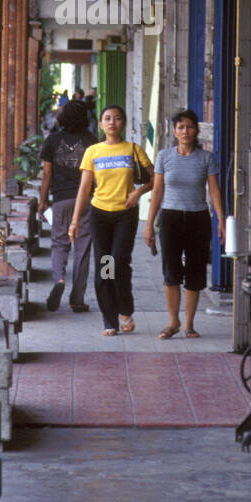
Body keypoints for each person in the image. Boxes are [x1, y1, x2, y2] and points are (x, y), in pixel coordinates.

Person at [69, 105, 153, 336]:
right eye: (107, 118)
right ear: (101, 124)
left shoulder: (132, 149)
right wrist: (75, 221)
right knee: (105, 266)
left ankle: (125, 309)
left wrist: (138, 192)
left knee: (119, 263)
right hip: (100, 215)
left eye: (117, 118)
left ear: (123, 123)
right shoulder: (93, 152)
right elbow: (84, 188)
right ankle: (110, 319)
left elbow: (155, 179)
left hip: (125, 214)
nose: (112, 122)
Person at [144, 109, 226, 339]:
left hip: (198, 219)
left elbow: (214, 191)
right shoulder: (163, 156)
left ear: (197, 131)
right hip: (170, 218)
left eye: (189, 127)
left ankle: (189, 324)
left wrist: (220, 219)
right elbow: (157, 191)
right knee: (171, 271)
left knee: (195, 272)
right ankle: (173, 322)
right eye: (180, 127)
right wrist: (149, 224)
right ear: (174, 131)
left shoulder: (206, 158)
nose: (185, 131)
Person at [38, 100, 96, 312]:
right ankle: (77, 298)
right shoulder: (92, 141)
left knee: (59, 243)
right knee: (82, 248)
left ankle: (59, 280)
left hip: (61, 200)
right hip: (87, 200)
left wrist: (43, 202)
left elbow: (47, 174)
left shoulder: (52, 140)